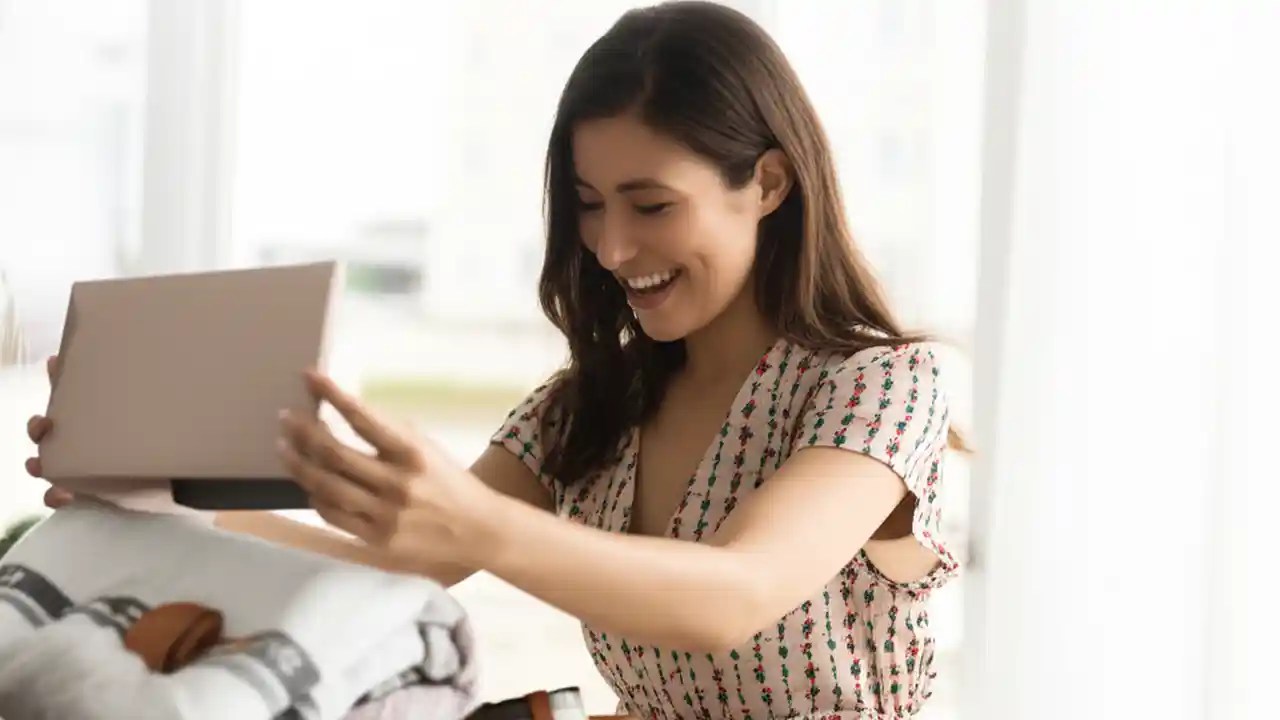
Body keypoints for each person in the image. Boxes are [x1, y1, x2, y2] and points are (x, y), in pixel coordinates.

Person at [27, 2, 962, 718]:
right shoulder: (589, 404)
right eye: (590, 203)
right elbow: (398, 562)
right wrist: (162, 509)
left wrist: (480, 523)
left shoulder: (880, 382)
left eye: (650, 204)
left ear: (766, 182)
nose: (609, 249)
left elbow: (735, 595)